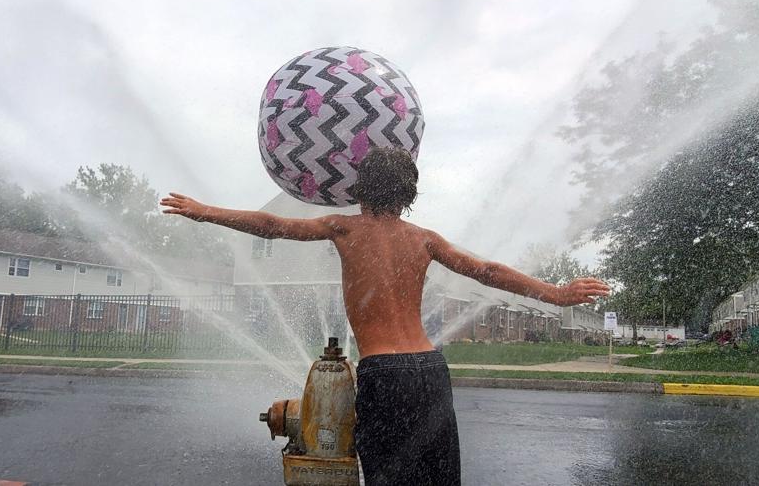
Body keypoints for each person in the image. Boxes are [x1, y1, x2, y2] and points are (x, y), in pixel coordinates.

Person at [160, 147, 610, 485]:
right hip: (430, 370)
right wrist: (556, 292)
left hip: (385, 372)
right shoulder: (424, 239)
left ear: (360, 190)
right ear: (407, 195)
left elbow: (272, 225)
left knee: (387, 478)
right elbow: (487, 271)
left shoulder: (343, 227)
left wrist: (206, 213)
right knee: (438, 477)